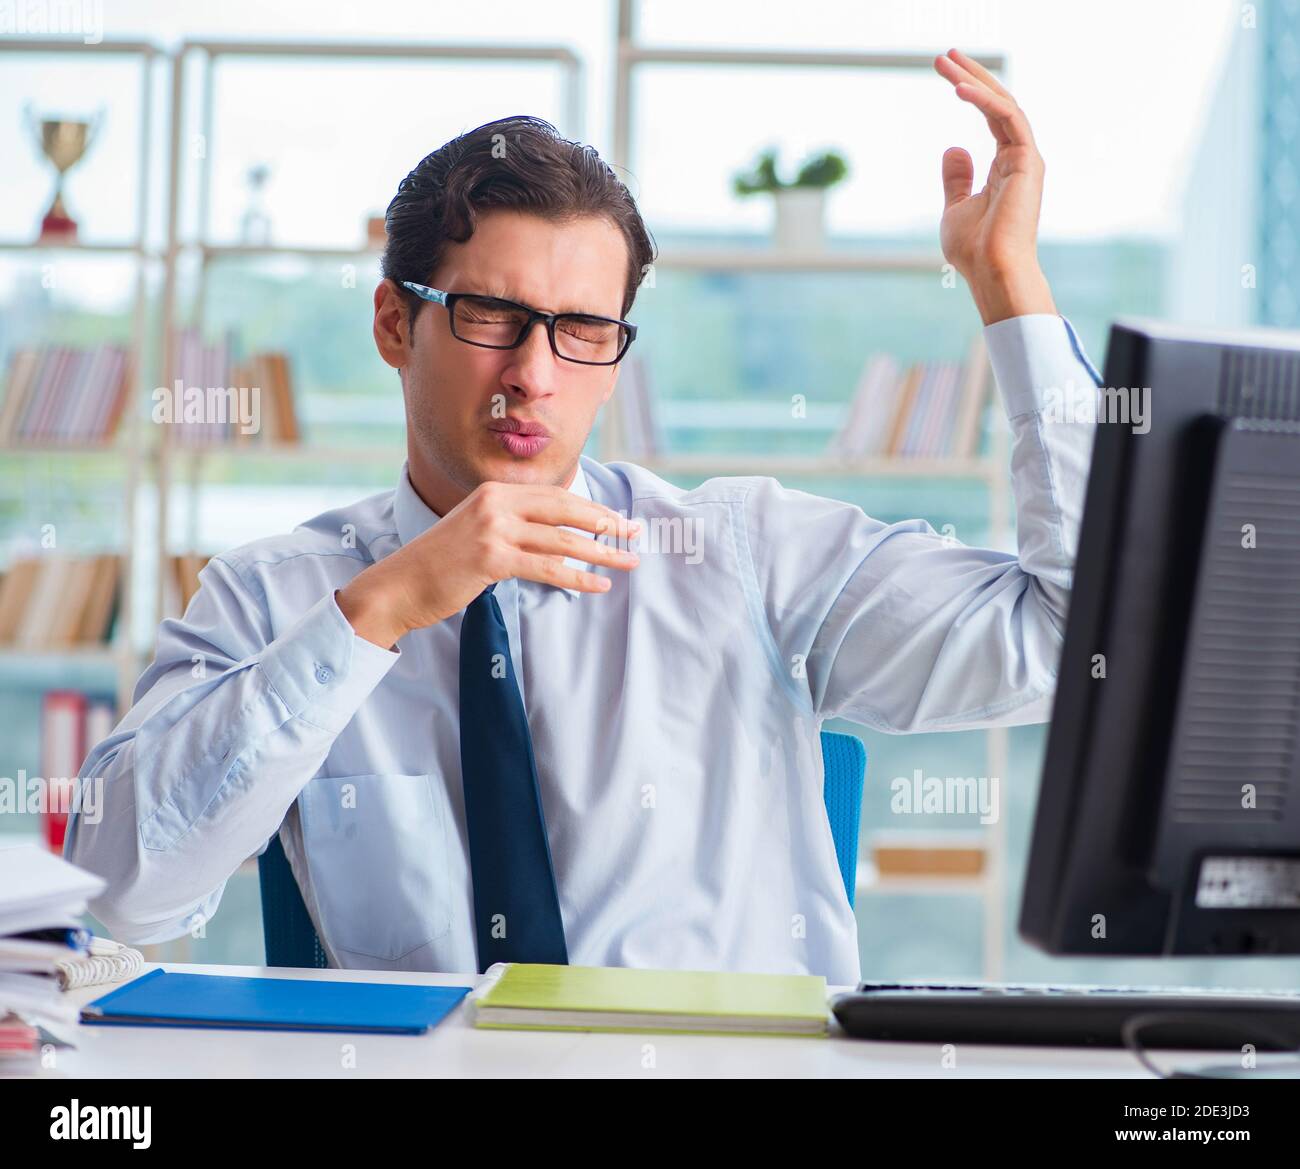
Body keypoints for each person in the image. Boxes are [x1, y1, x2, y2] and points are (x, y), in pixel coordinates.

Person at [65, 50, 1103, 986]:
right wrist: (375, 612)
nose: (533, 375)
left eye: (581, 330)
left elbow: (1070, 634)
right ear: (395, 322)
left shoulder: (743, 553)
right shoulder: (277, 593)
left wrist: (1007, 282)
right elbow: (117, 891)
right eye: (490, 316)